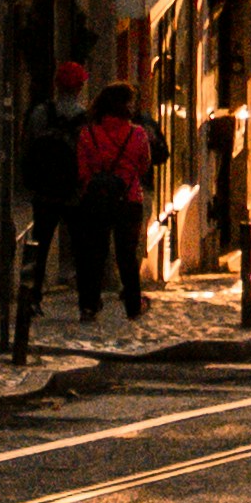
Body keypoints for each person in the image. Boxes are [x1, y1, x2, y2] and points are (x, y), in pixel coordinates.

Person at [70, 64, 157, 323]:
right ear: (125, 106)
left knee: (93, 253)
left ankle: (89, 305)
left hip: (95, 199)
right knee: (126, 255)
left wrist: (94, 182)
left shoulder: (88, 133)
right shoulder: (137, 133)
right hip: (128, 200)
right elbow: (144, 165)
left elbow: (82, 168)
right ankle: (133, 305)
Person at [13, 60, 85, 351]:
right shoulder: (83, 118)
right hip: (71, 192)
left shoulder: (40, 113)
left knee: (38, 246)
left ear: (57, 84)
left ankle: (31, 298)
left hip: (43, 192)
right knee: (81, 246)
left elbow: (27, 145)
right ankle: (86, 302)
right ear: (79, 87)